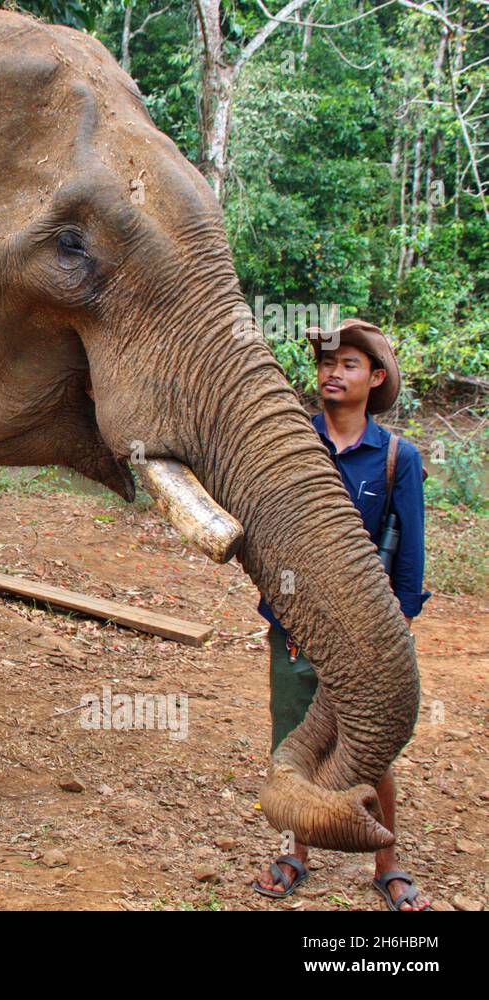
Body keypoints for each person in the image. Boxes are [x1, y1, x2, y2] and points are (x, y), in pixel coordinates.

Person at [250, 318, 432, 911]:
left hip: (366, 635)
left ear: (375, 378)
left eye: (348, 364)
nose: (332, 373)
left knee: (369, 748)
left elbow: (410, 552)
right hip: (298, 626)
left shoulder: (396, 457)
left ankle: (388, 860)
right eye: (327, 363)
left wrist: (397, 624)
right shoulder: (295, 442)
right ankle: (296, 850)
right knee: (296, 738)